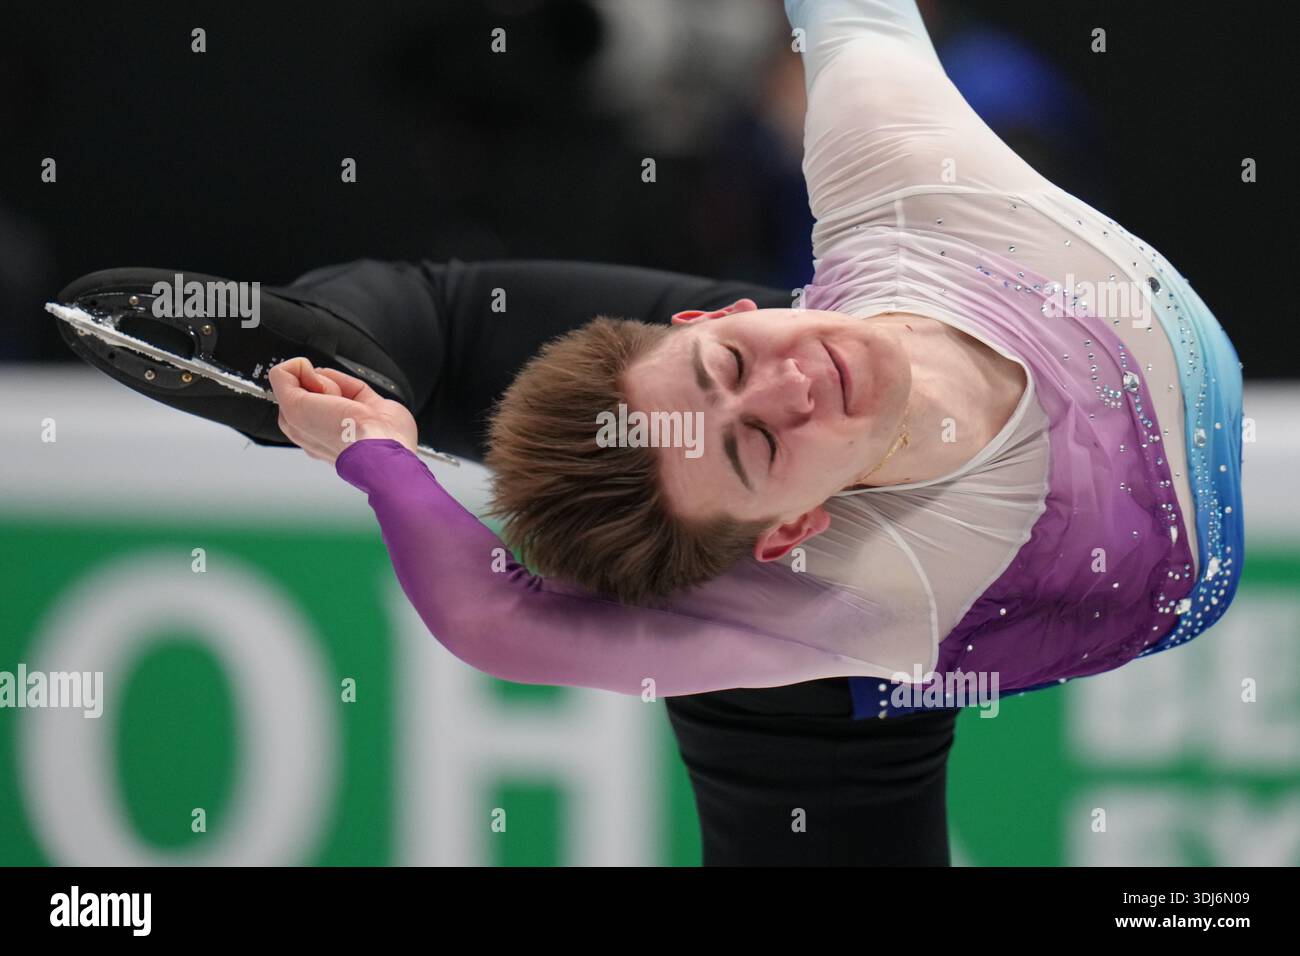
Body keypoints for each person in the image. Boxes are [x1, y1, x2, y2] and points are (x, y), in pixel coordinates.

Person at [53, 0, 1243, 865]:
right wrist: (375, 464)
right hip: (836, 679)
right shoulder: (854, 591)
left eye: (731, 359)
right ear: (796, 534)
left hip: (865, 301)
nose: (784, 390)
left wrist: (357, 416)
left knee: (467, 321)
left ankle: (325, 352)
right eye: (752, 448)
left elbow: (850, 27)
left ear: (724, 307)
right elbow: (485, 616)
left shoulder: (896, 174)